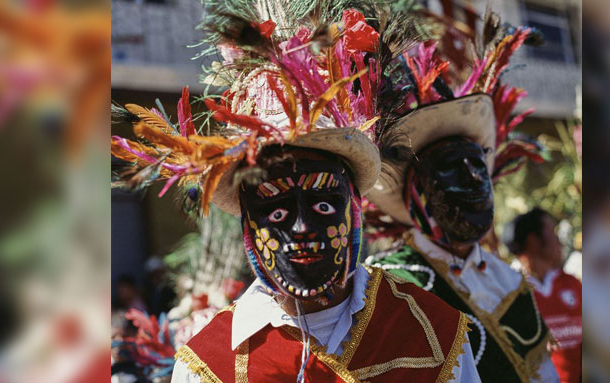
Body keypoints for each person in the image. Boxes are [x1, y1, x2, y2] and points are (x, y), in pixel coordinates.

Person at [111, 3, 478, 381]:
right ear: (248, 222)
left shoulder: (432, 332)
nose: (302, 227)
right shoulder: (207, 366)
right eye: (277, 210)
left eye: (323, 204)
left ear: (353, 208)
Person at [365, 19, 558, 383]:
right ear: (417, 193)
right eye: (452, 167)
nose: (475, 178)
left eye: (477, 164)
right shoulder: (383, 284)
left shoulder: (507, 280)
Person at [503, 208, 581, 383]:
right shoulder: (510, 293)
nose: (559, 241)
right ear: (534, 241)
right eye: (553, 232)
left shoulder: (572, 284)